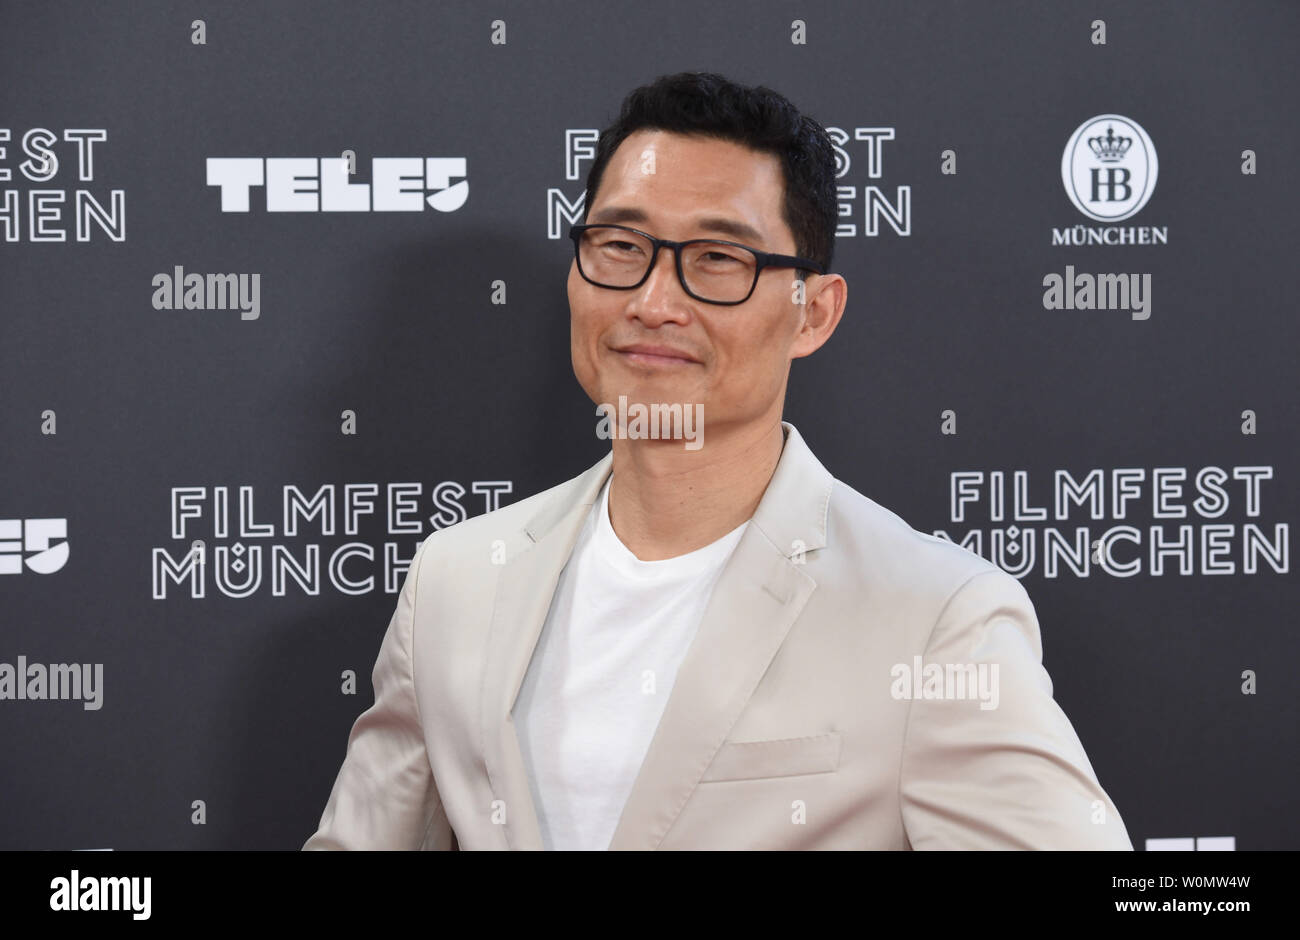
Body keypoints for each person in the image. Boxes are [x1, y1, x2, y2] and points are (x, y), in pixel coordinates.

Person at [304, 71, 1132, 850]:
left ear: (813, 314)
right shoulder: (458, 580)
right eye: (621, 244)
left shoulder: (934, 618)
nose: (653, 302)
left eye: (719, 260)